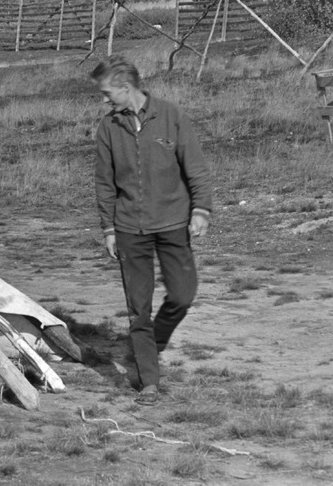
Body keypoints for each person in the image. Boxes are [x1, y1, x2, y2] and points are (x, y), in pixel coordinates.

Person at [91, 55, 212, 405]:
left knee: (182, 295)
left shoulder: (171, 116)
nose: (104, 99)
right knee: (137, 309)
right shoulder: (109, 127)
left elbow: (196, 168)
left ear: (127, 88)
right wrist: (109, 229)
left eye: (107, 92)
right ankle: (149, 380)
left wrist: (201, 209)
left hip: (174, 223)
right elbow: (104, 182)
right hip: (130, 229)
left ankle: (154, 341)